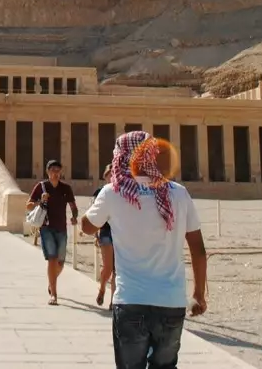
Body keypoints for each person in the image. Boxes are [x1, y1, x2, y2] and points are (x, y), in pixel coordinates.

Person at [82, 131, 207, 369]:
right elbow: (198, 249)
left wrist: (101, 207)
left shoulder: (113, 192)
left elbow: (87, 226)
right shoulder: (178, 192)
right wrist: (199, 293)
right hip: (171, 301)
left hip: (131, 300)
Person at [26, 158, 78, 305]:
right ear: (47, 172)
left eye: (58, 171)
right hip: (46, 227)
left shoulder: (65, 188)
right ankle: (54, 295)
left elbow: (73, 206)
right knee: (52, 259)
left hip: (62, 227)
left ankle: (51, 282)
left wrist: (74, 217)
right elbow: (28, 206)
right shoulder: (41, 187)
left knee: (61, 262)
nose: (55, 174)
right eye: (53, 171)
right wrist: (39, 201)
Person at [93, 164, 116, 307]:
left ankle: (114, 301)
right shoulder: (100, 192)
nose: (112, 176)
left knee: (117, 270)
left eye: (114, 173)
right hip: (106, 232)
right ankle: (102, 288)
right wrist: (96, 234)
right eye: (109, 173)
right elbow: (93, 214)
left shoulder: (123, 192)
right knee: (108, 268)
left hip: (120, 233)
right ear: (105, 176)